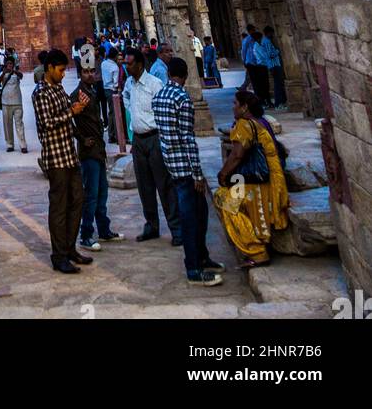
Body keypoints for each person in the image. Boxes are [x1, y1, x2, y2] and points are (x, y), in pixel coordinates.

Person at [152, 57, 224, 286]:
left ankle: (203, 257)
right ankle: (193, 268)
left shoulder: (159, 96)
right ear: (185, 76)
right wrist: (197, 174)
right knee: (192, 218)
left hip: (170, 163)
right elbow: (187, 138)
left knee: (200, 212)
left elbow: (164, 133)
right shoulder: (182, 98)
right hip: (185, 167)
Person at [31, 48, 93, 274]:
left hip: (69, 154)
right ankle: (58, 255)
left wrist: (78, 111)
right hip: (55, 158)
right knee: (59, 207)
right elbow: (47, 122)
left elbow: (68, 113)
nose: (63, 74)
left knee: (77, 200)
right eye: (60, 70)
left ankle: (69, 248)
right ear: (49, 68)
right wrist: (72, 112)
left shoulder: (58, 89)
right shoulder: (41, 93)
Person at [214, 88, 289, 267]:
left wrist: (223, 173)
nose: (233, 107)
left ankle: (256, 250)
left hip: (258, 181)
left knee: (224, 201)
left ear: (244, 107)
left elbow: (237, 155)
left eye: (235, 104)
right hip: (269, 178)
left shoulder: (244, 125)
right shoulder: (260, 122)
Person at [122, 49, 181, 245]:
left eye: (129, 63)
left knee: (164, 185)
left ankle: (176, 228)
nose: (126, 67)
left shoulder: (155, 84)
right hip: (138, 140)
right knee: (144, 186)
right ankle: (151, 225)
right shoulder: (129, 84)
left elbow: (165, 109)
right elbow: (126, 100)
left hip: (155, 137)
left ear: (139, 64)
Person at [71, 61, 124, 251]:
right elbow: (69, 120)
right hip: (88, 151)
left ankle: (103, 229)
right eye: (85, 71)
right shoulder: (77, 95)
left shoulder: (92, 91)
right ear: (80, 74)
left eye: (92, 71)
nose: (90, 74)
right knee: (91, 194)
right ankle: (86, 234)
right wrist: (81, 138)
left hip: (98, 149)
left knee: (102, 192)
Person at [0, 57, 27, 152]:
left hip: (17, 102)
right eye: (8, 63)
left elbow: (21, 76)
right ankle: (9, 144)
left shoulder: (16, 73)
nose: (9, 65)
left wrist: (13, 71)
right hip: (6, 103)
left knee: (19, 124)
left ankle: (23, 145)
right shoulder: (3, 73)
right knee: (7, 125)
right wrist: (5, 72)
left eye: (11, 63)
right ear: (5, 64)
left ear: (13, 64)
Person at [261, 26, 287, 108]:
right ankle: (279, 102)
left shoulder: (265, 41)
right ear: (268, 33)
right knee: (278, 84)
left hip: (273, 65)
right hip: (274, 65)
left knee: (278, 84)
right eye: (271, 33)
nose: (272, 34)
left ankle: (280, 102)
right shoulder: (267, 41)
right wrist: (277, 51)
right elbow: (270, 55)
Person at [100, 47, 119, 143]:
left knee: (111, 112)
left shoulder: (103, 63)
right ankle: (114, 135)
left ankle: (112, 134)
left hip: (105, 88)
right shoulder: (115, 67)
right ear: (115, 56)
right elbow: (115, 83)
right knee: (115, 113)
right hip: (112, 90)